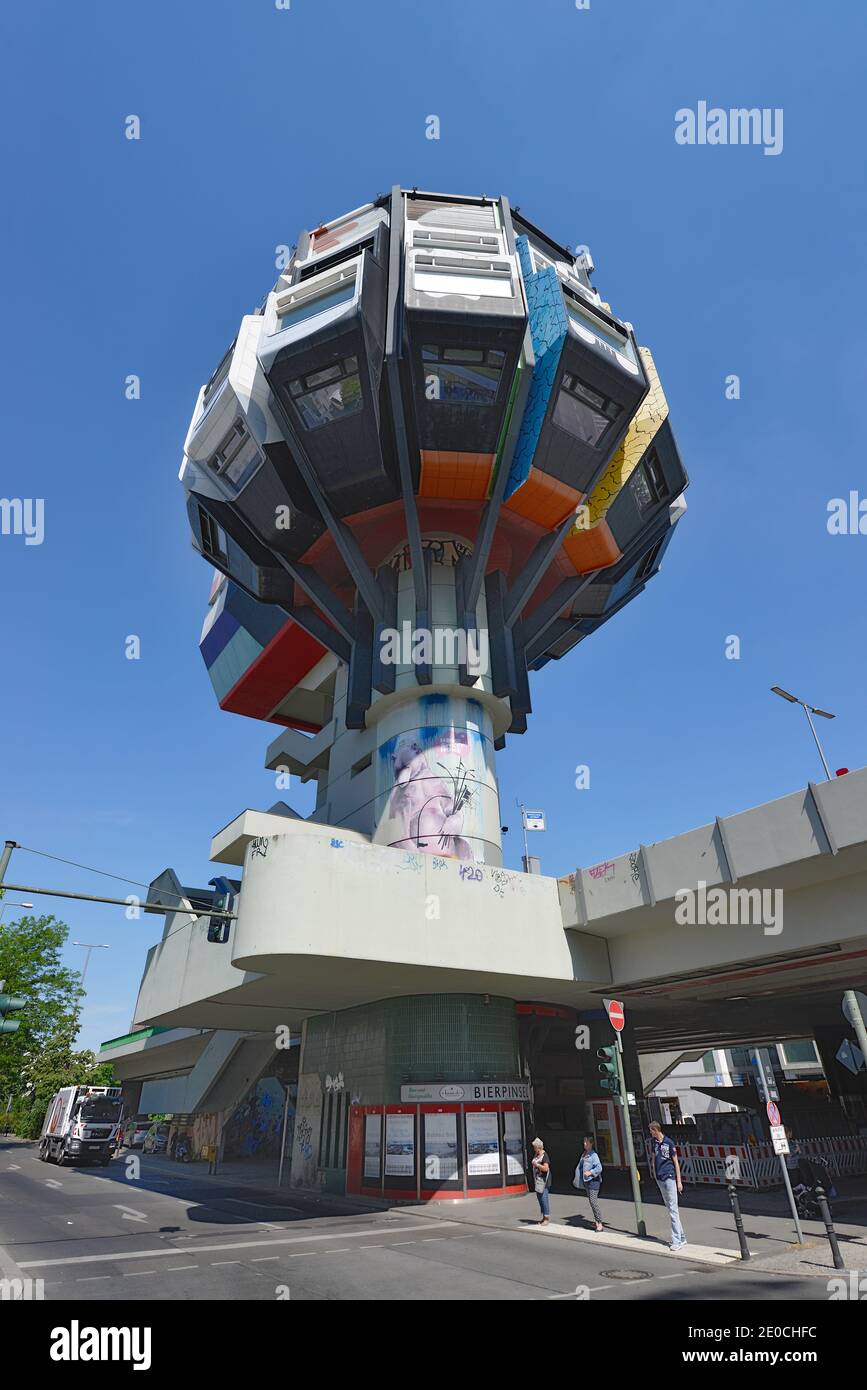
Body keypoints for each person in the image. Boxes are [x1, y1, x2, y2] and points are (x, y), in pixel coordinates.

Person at [649, 1120, 687, 1250]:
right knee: (671, 1208)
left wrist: (679, 1181)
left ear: (655, 1130)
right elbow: (653, 1157)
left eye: (651, 1130)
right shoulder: (654, 1143)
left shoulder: (669, 1143)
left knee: (673, 1209)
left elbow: (676, 1162)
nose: (650, 1133)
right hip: (660, 1177)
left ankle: (676, 1240)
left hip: (669, 1177)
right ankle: (682, 1237)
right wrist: (654, 1171)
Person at [574, 1133, 604, 1231]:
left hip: (594, 1181)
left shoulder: (593, 1155)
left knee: (593, 1201)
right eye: (584, 1141)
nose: (584, 1143)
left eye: (586, 1141)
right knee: (591, 1202)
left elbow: (599, 1167)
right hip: (587, 1181)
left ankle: (599, 1223)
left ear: (591, 1143)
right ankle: (596, 1222)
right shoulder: (584, 1154)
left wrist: (590, 1172)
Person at [530, 1137, 551, 1224]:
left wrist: (537, 1165)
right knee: (539, 1197)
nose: (534, 1149)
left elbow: (546, 1168)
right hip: (538, 1180)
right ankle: (543, 1216)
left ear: (539, 1147)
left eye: (535, 1147)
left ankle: (546, 1217)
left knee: (544, 1198)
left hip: (544, 1180)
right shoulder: (537, 1155)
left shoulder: (544, 1155)